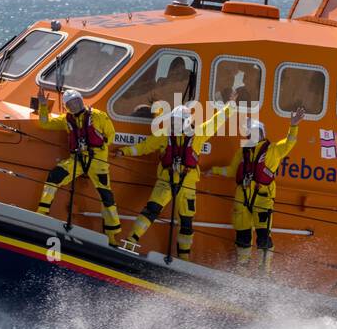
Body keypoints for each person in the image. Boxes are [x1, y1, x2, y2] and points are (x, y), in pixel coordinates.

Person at [117, 90, 236, 260]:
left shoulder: (198, 135)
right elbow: (144, 147)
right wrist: (124, 151)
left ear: (186, 122)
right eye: (172, 120)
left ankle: (183, 258)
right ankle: (130, 241)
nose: (173, 123)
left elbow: (215, 122)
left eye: (177, 121)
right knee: (151, 211)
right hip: (165, 181)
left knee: (186, 222)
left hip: (187, 185)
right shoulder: (164, 135)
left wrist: (229, 106)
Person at [211, 108, 304, 269]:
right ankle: (243, 270)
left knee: (263, 237)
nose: (253, 134)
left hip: (263, 198)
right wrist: (214, 170)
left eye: (256, 131)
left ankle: (264, 273)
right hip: (242, 198)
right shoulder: (242, 151)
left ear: (262, 133)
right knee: (243, 237)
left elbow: (290, 142)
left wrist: (293, 125)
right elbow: (232, 170)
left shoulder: (274, 149)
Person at [35, 86, 122, 245]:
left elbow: (111, 135)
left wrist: (100, 144)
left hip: (98, 162)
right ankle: (42, 212)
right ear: (67, 107)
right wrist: (42, 105)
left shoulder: (98, 116)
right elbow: (44, 123)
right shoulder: (66, 119)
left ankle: (112, 234)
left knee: (106, 196)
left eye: (77, 101)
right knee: (54, 176)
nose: (75, 105)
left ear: (81, 101)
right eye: (71, 104)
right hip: (77, 160)